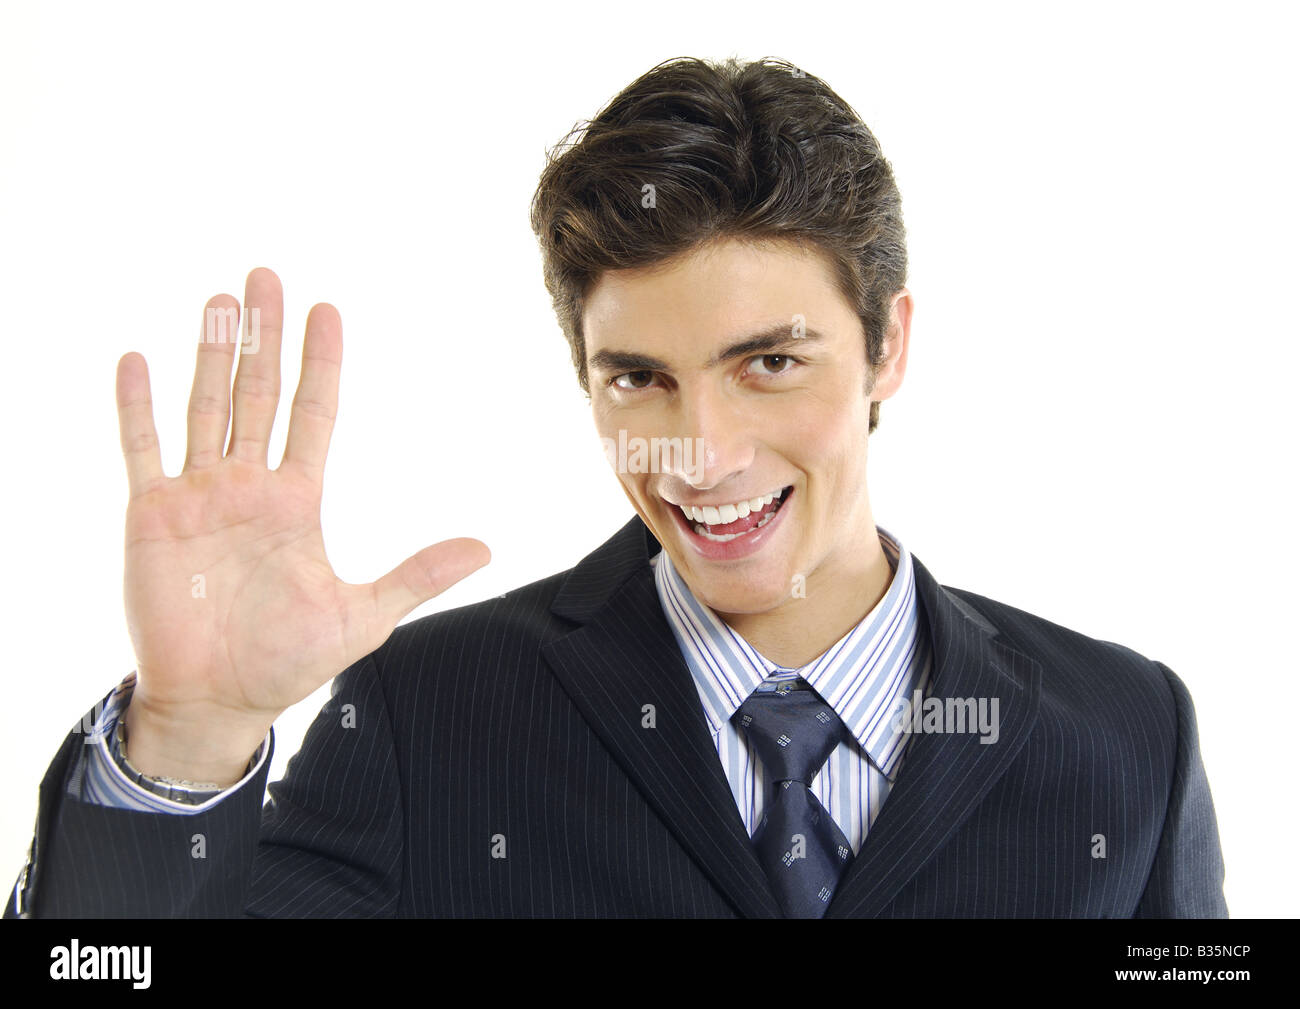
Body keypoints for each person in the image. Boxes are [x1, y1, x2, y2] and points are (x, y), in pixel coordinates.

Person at [6, 56, 1226, 918]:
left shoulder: (1126, 735)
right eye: (639, 378)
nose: (700, 451)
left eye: (769, 363)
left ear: (886, 348)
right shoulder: (429, 718)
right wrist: (189, 737)